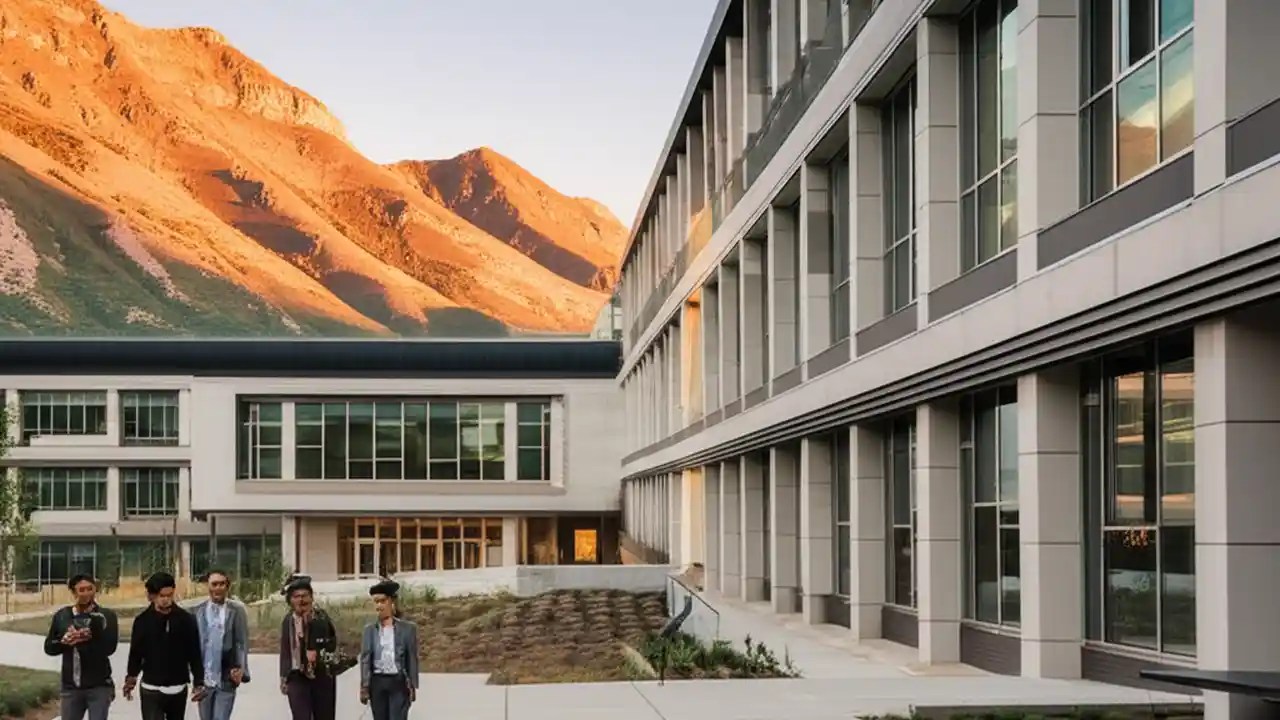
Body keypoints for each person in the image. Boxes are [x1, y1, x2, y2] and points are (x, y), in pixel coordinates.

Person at [123, 572, 206, 720]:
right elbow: (136, 653)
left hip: (178, 687)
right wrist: (131, 678)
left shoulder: (186, 620)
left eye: (169, 595)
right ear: (151, 596)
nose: (166, 600)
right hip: (151, 687)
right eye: (162, 596)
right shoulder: (142, 621)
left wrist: (199, 681)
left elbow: (194, 653)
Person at [43, 574, 120, 720]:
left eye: (90, 589)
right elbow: (49, 648)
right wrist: (64, 643)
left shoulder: (106, 616)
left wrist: (92, 636)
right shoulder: (62, 616)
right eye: (81, 590)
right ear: (73, 592)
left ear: (95, 590)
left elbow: (110, 648)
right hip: (70, 687)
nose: (86, 594)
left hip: (99, 685)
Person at [278, 575, 340, 720]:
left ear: (311, 598)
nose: (301, 600)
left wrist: (317, 653)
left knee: (324, 716)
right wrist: (283, 676)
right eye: (296, 596)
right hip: (296, 676)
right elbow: (285, 649)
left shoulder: (321, 618)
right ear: (290, 600)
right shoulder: (288, 621)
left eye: (305, 596)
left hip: (321, 676)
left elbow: (332, 644)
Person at [193, 569, 250, 720]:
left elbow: (241, 642)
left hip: (226, 676)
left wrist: (241, 669)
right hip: (204, 679)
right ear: (208, 586)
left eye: (222, 584)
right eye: (214, 584)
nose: (218, 588)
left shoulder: (236, 610)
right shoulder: (198, 611)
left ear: (227, 587)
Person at [358, 580, 419, 720]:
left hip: (398, 681)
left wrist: (412, 684)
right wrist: (364, 686)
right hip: (377, 682)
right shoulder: (369, 630)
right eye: (376, 602)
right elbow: (365, 659)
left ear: (392, 602)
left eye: (382, 601)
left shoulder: (408, 629)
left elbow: (412, 657)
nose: (379, 606)